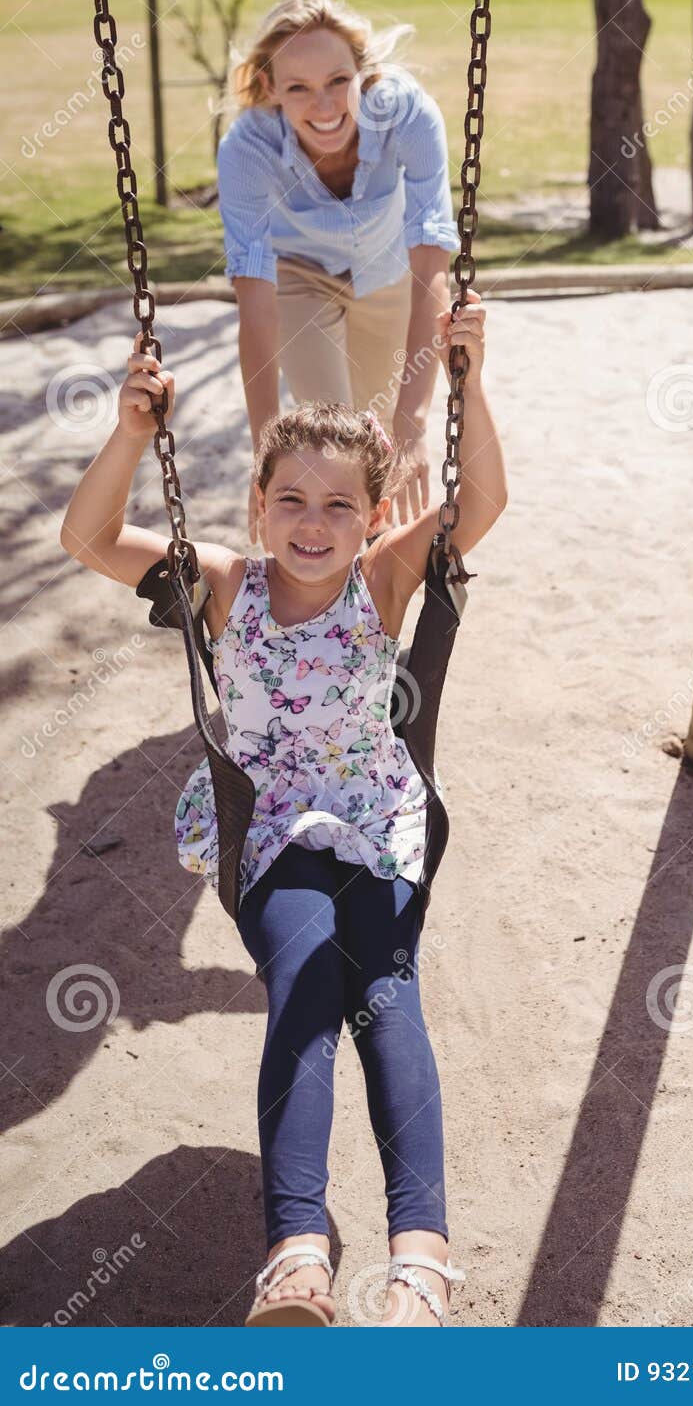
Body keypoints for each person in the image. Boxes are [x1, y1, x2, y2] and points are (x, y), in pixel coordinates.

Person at [59, 292, 506, 1328]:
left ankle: (419, 1260)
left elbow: (480, 498)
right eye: (292, 501)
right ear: (258, 508)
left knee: (386, 992)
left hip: (373, 814)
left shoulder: (386, 577)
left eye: (340, 504)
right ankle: (297, 1254)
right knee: (309, 973)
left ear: (373, 515)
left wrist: (469, 384)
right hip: (261, 825)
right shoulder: (223, 583)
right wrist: (132, 435)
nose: (314, 524)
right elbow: (86, 537)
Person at [217, 0, 461, 536]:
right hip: (300, 276)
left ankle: (377, 571)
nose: (324, 106)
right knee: (334, 445)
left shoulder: (407, 114)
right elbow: (255, 307)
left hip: (389, 272)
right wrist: (263, 457)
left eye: (337, 81)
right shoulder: (246, 150)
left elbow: (431, 259)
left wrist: (414, 421)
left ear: (362, 72)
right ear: (269, 88)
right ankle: (336, 583)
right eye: (298, 88)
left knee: (381, 445)